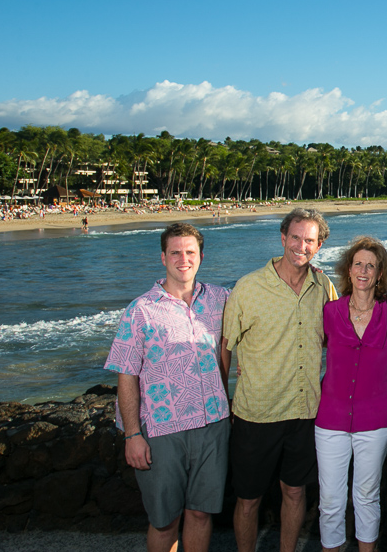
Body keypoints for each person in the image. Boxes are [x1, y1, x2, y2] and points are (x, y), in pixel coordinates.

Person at [104, 223, 230, 552]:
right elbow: (126, 374)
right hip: (161, 430)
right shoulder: (140, 310)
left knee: (201, 514)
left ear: (201, 257)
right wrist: (132, 435)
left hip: (213, 424)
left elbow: (258, 316)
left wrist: (307, 268)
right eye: (175, 252)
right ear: (163, 258)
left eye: (190, 252)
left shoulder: (220, 299)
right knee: (165, 521)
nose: (183, 259)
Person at [222, 208, 337, 552]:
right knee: (248, 499)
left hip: (304, 412)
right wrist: (219, 399)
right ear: (283, 238)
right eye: (296, 237)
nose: (302, 245)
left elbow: (341, 333)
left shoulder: (324, 287)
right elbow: (226, 349)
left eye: (310, 240)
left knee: (295, 491)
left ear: (319, 246)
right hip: (256, 414)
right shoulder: (248, 287)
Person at [314, 236, 387, 552]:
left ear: (380, 275)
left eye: (371, 266)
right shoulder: (329, 311)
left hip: (375, 421)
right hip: (330, 420)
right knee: (331, 500)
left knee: (367, 496)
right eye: (358, 264)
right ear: (348, 270)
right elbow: (300, 345)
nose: (364, 270)